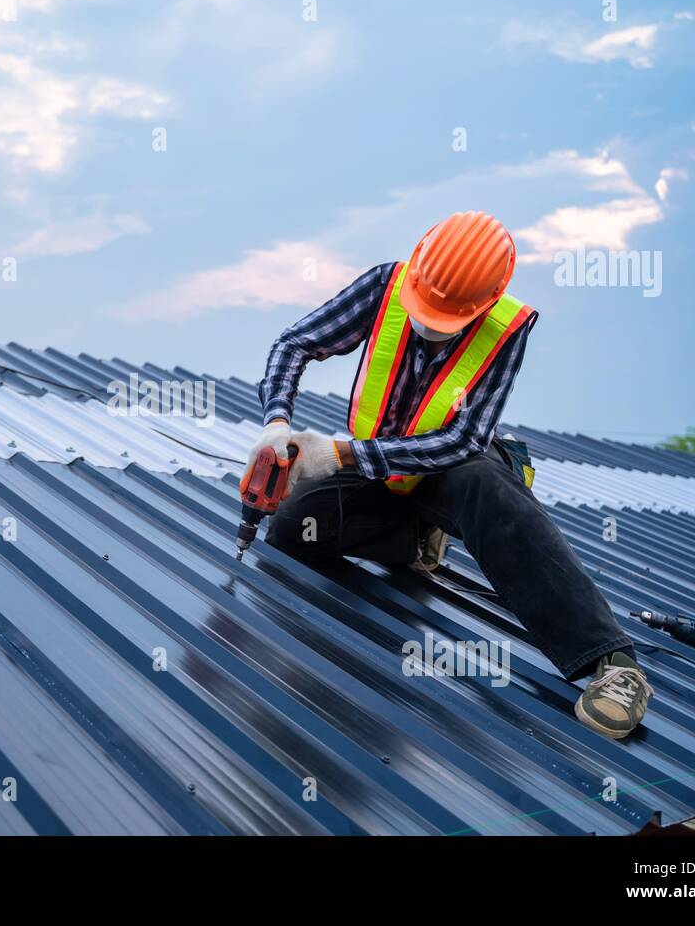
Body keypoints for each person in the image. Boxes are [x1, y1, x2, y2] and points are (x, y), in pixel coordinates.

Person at [244, 210, 651, 739]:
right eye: (424, 310)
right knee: (294, 527)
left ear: (482, 306)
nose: (428, 324)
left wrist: (341, 457)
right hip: (381, 467)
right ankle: (414, 540)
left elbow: (463, 439)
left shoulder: (506, 329)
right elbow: (295, 343)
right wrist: (277, 421)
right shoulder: (385, 285)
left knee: (489, 490)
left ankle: (613, 663)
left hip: (449, 467)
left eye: (446, 319)